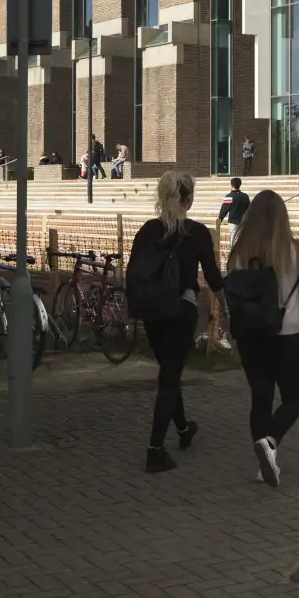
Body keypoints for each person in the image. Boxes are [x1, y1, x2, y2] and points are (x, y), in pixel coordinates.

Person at [224, 189, 299, 488]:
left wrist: (233, 334)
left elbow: (232, 298)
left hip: (250, 337)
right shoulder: (296, 250)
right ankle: (270, 442)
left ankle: (264, 464)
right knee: (295, 397)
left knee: (261, 398)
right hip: (284, 337)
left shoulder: (239, 251)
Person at [126, 170, 225, 473]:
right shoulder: (197, 233)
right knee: (169, 378)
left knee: (170, 372)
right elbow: (213, 277)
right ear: (187, 199)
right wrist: (226, 308)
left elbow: (134, 271)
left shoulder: (148, 231)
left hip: (152, 312)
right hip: (181, 311)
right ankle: (155, 450)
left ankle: (183, 429)